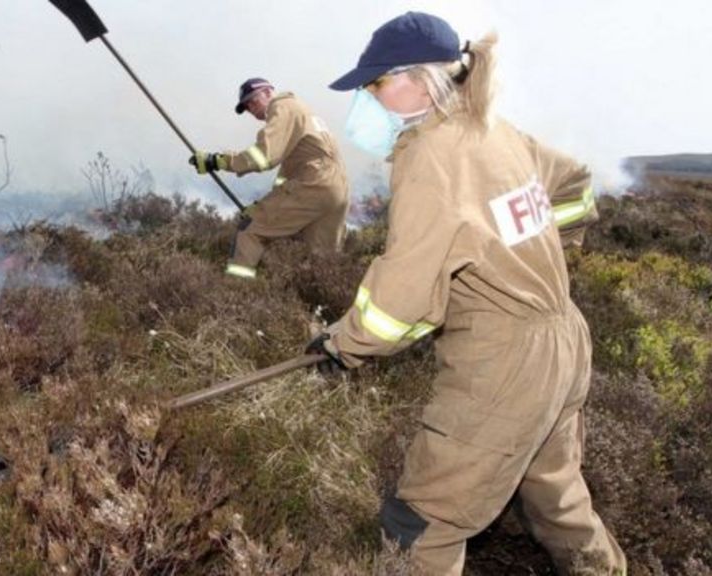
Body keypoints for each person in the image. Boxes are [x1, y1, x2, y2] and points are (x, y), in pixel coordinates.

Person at [305, 11, 627, 576]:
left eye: (376, 83)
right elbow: (575, 180)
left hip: (503, 365)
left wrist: (342, 346)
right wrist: (556, 244)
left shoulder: (430, 153)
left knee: (422, 523)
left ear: (417, 78)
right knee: (558, 499)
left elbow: (401, 299)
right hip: (564, 340)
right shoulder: (495, 128)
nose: (368, 96)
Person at [190, 78, 349, 279]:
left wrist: (219, 161)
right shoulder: (303, 112)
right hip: (336, 188)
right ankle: (325, 303)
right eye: (247, 107)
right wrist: (264, 205)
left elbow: (263, 156)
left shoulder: (282, 106)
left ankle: (234, 295)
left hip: (314, 184)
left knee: (250, 231)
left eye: (253, 101)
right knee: (323, 259)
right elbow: (288, 176)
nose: (251, 109)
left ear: (268, 92)